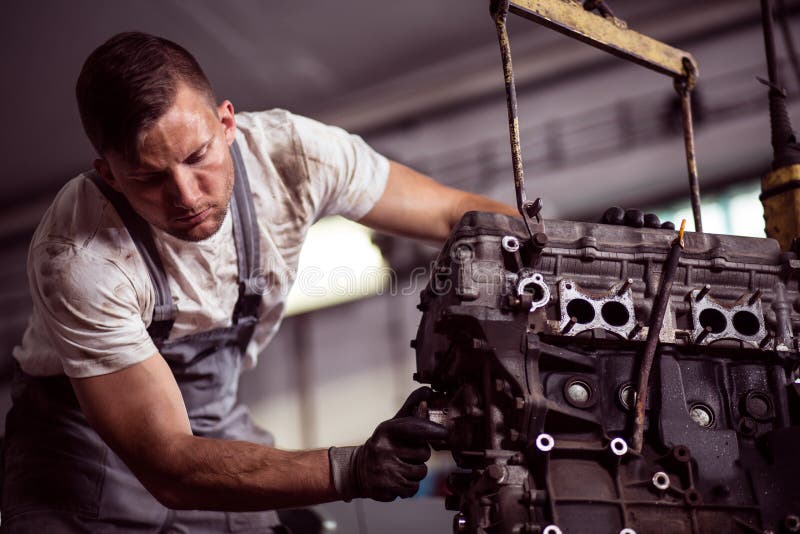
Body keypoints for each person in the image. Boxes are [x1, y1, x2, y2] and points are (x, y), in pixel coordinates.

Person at [0, 32, 519, 532]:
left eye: (197, 156)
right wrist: (351, 468)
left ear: (227, 122)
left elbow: (457, 215)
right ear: (108, 174)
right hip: (76, 449)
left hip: (209, 420)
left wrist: (564, 253)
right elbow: (169, 464)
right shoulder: (79, 257)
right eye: (150, 178)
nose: (185, 195)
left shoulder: (294, 158)